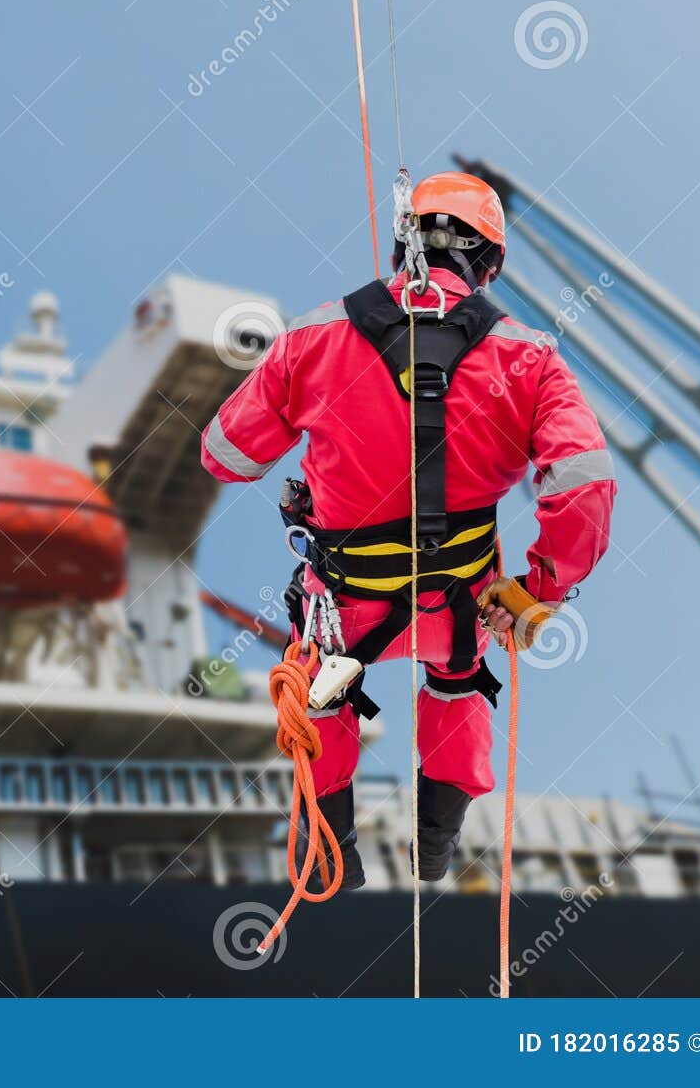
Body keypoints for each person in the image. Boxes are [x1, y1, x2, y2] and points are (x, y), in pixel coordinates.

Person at [200, 171, 615, 885]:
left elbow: (225, 457)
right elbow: (586, 482)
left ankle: (330, 853)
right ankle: (436, 846)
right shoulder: (531, 356)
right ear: (489, 264)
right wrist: (543, 583)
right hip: (460, 607)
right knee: (458, 681)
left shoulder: (314, 335)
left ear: (403, 243)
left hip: (345, 604)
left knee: (320, 688)